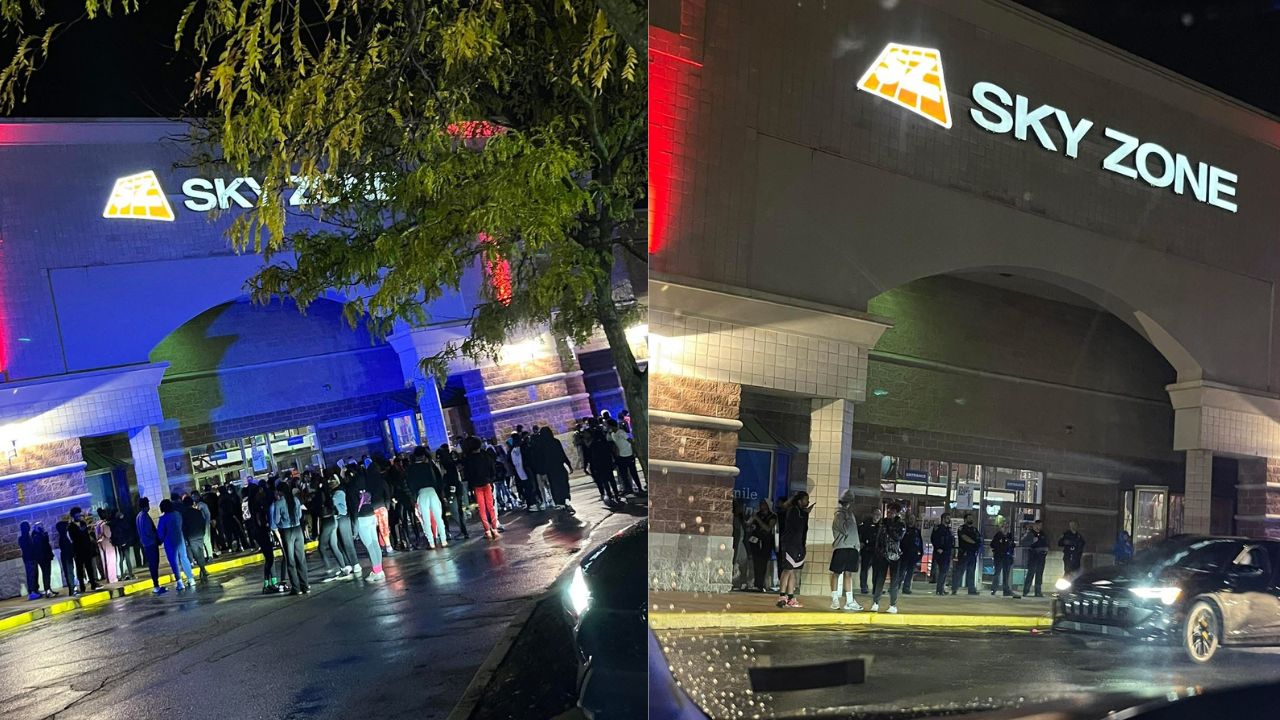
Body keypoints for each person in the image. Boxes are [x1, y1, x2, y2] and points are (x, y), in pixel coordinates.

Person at [272, 480, 311, 595]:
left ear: (280, 492)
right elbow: (300, 515)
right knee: (301, 559)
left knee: (290, 560)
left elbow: (276, 521)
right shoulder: (296, 500)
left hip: (287, 532)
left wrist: (282, 524)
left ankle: (296, 588)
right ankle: (305, 586)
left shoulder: (278, 503)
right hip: (298, 529)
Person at [351, 460, 386, 581]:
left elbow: (353, 505)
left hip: (362, 518)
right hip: (371, 514)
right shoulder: (369, 481)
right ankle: (380, 570)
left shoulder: (353, 484)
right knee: (375, 543)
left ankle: (377, 571)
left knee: (369, 545)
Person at [828, 489, 863, 611]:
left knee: (848, 574)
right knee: (836, 573)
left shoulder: (850, 514)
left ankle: (849, 600)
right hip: (841, 547)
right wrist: (848, 516)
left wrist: (856, 546)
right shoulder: (839, 515)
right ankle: (835, 600)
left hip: (851, 548)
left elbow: (853, 533)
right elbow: (846, 530)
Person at [776, 491, 811, 608]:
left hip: (797, 545)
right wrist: (805, 513)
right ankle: (782, 596)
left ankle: (791, 597)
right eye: (806, 500)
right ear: (799, 501)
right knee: (787, 569)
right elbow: (795, 526)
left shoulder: (801, 512)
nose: (808, 502)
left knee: (793, 570)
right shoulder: (794, 511)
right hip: (790, 544)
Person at [870, 502, 907, 613]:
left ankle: (893, 605)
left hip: (895, 555)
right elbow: (879, 536)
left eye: (892, 511)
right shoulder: (883, 522)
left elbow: (898, 537)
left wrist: (890, 527)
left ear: (897, 513)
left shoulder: (900, 524)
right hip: (883, 554)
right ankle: (876, 602)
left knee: (894, 580)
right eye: (889, 511)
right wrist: (877, 550)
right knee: (879, 579)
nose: (890, 513)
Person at [462, 436, 501, 539]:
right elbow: (492, 469)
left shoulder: (468, 459)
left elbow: (468, 475)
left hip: (477, 486)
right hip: (487, 483)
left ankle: (487, 530)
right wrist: (491, 479)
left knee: (482, 509)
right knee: (490, 507)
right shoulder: (485, 456)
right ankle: (495, 529)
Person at [157, 499, 196, 592]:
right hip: (180, 539)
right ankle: (191, 579)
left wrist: (159, 541)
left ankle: (180, 582)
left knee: (174, 562)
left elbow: (160, 533)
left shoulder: (163, 519)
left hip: (170, 542)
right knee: (184, 558)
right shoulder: (178, 514)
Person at [250, 484, 282, 593]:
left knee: (269, 558)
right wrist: (266, 525)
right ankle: (267, 584)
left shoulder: (254, 505)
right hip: (262, 533)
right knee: (270, 558)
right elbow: (260, 521)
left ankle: (270, 583)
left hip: (259, 533)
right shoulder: (257, 506)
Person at [437, 444, 470, 540]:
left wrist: (449, 492)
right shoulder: (451, 464)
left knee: (455, 511)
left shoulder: (446, 467)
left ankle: (463, 530)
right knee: (458, 510)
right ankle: (464, 530)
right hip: (457, 489)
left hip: (452, 491)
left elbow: (449, 481)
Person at [135, 498, 166, 594]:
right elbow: (149, 531)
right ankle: (156, 585)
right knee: (154, 564)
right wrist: (157, 539)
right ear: (145, 506)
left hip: (145, 544)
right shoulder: (144, 516)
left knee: (152, 564)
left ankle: (156, 585)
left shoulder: (138, 516)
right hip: (151, 543)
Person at [745, 500, 777, 592]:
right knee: (756, 562)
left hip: (766, 542)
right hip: (755, 541)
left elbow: (768, 528)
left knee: (763, 563)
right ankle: (755, 584)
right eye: (761, 504)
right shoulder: (757, 514)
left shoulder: (772, 516)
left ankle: (761, 584)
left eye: (763, 504)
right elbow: (748, 524)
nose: (761, 506)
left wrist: (758, 519)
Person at [68, 507, 102, 592]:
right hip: (78, 550)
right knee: (80, 569)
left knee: (89, 568)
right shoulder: (71, 526)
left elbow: (87, 536)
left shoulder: (83, 523)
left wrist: (90, 547)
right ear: (73, 515)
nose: (78, 515)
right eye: (76, 514)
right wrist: (80, 532)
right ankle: (82, 586)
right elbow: (73, 538)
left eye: (79, 513)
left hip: (86, 549)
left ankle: (93, 584)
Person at [586, 428, 622, 504]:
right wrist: (614, 461)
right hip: (607, 463)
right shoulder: (605, 442)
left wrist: (593, 466)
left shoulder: (593, 445)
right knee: (611, 479)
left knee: (605, 480)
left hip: (599, 465)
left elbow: (591, 457)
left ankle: (609, 494)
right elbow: (611, 453)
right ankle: (616, 493)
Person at [608, 418, 643, 495]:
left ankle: (639, 488)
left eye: (608, 426)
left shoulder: (621, 432)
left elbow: (630, 441)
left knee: (633, 472)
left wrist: (634, 451)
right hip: (621, 456)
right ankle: (628, 489)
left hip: (628, 454)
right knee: (623, 474)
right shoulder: (613, 434)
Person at [180, 496, 210, 581]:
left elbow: (184, 527)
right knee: (200, 552)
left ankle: (203, 570)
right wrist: (203, 531)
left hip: (191, 536)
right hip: (200, 534)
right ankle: (203, 570)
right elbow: (203, 522)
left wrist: (186, 537)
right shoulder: (197, 512)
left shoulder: (184, 514)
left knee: (197, 554)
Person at [952, 514, 981, 595]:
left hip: (972, 553)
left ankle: (971, 590)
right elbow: (964, 537)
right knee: (959, 571)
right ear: (965, 519)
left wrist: (977, 545)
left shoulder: (974, 529)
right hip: (964, 553)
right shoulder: (962, 528)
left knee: (971, 572)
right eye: (969, 518)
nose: (971, 519)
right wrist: (974, 542)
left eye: (971, 518)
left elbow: (979, 538)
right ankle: (954, 588)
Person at [1022, 519, 1049, 597]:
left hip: (1041, 557)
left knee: (1039, 574)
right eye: (1039, 525)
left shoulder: (1042, 534)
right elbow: (1024, 542)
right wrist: (1032, 541)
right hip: (1033, 557)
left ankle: (1038, 591)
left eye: (1041, 525)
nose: (1040, 527)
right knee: (1030, 573)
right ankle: (1026, 591)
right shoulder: (1030, 534)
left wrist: (1046, 548)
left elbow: (1045, 543)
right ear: (1035, 525)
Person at [990, 519, 1016, 597]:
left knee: (1006, 574)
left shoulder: (1009, 535)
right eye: (1003, 526)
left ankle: (1006, 590)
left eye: (1007, 526)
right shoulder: (998, 535)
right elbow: (992, 544)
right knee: (997, 573)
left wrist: (1011, 554)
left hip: (1007, 557)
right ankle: (994, 589)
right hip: (999, 556)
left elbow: (1012, 545)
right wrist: (999, 548)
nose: (1005, 528)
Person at [857, 508, 881, 594]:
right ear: (872, 514)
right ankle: (864, 587)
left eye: (879, 515)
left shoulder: (881, 525)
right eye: (876, 514)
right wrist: (860, 542)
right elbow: (859, 532)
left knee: (876, 571)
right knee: (864, 569)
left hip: (877, 551)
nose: (877, 516)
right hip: (867, 550)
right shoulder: (866, 524)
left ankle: (876, 589)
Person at [899, 512, 923, 595]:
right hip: (904, 555)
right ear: (908, 519)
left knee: (910, 573)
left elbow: (920, 542)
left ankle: (906, 588)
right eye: (910, 518)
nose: (912, 520)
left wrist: (921, 553)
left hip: (913, 555)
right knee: (901, 572)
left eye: (913, 519)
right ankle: (896, 587)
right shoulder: (903, 529)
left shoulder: (917, 531)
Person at [20, 521, 45, 600]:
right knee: (31, 576)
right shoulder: (23, 538)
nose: (29, 527)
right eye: (27, 526)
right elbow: (27, 548)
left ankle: (35, 590)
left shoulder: (28, 536)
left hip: (33, 558)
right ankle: (32, 592)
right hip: (29, 559)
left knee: (35, 575)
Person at [930, 514, 954, 596]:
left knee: (945, 571)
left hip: (947, 552)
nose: (949, 520)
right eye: (947, 518)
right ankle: (939, 589)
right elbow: (934, 538)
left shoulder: (948, 529)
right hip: (941, 553)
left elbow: (950, 540)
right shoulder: (938, 528)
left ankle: (942, 588)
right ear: (943, 519)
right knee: (942, 571)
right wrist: (938, 548)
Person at [94, 508, 119, 585]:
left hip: (100, 543)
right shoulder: (105, 524)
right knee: (110, 561)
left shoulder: (97, 524)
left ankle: (108, 578)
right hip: (107, 543)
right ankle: (112, 578)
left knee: (104, 561)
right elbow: (108, 535)